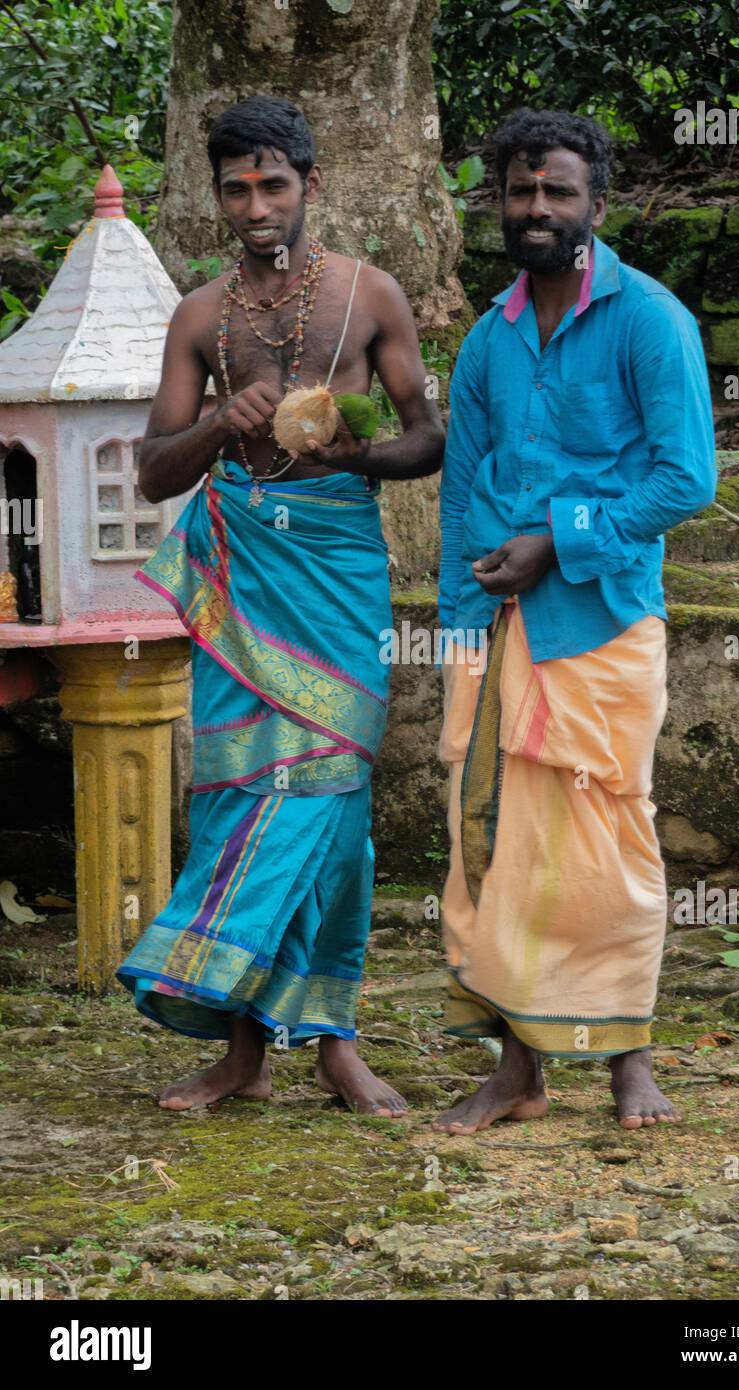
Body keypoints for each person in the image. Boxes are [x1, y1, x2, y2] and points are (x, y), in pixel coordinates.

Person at [117, 95, 443, 1115]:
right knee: (236, 794)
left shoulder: (368, 294)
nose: (255, 204)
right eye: (236, 187)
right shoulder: (200, 319)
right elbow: (153, 473)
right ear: (215, 195)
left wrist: (357, 454)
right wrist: (221, 418)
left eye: (273, 184)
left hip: (335, 564)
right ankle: (243, 1053)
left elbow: (425, 436)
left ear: (310, 184)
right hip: (237, 564)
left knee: (331, 798)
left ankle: (333, 1040)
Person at [434, 108, 716, 1134]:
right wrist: (460, 637)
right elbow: (463, 491)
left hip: (600, 622)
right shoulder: (488, 336)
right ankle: (515, 1069)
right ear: (499, 205)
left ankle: (625, 1058)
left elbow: (685, 476)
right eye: (519, 191)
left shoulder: (649, 320)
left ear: (595, 204)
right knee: (502, 848)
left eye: (557, 190)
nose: (537, 207)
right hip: (501, 633)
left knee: (607, 845)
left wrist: (557, 540)